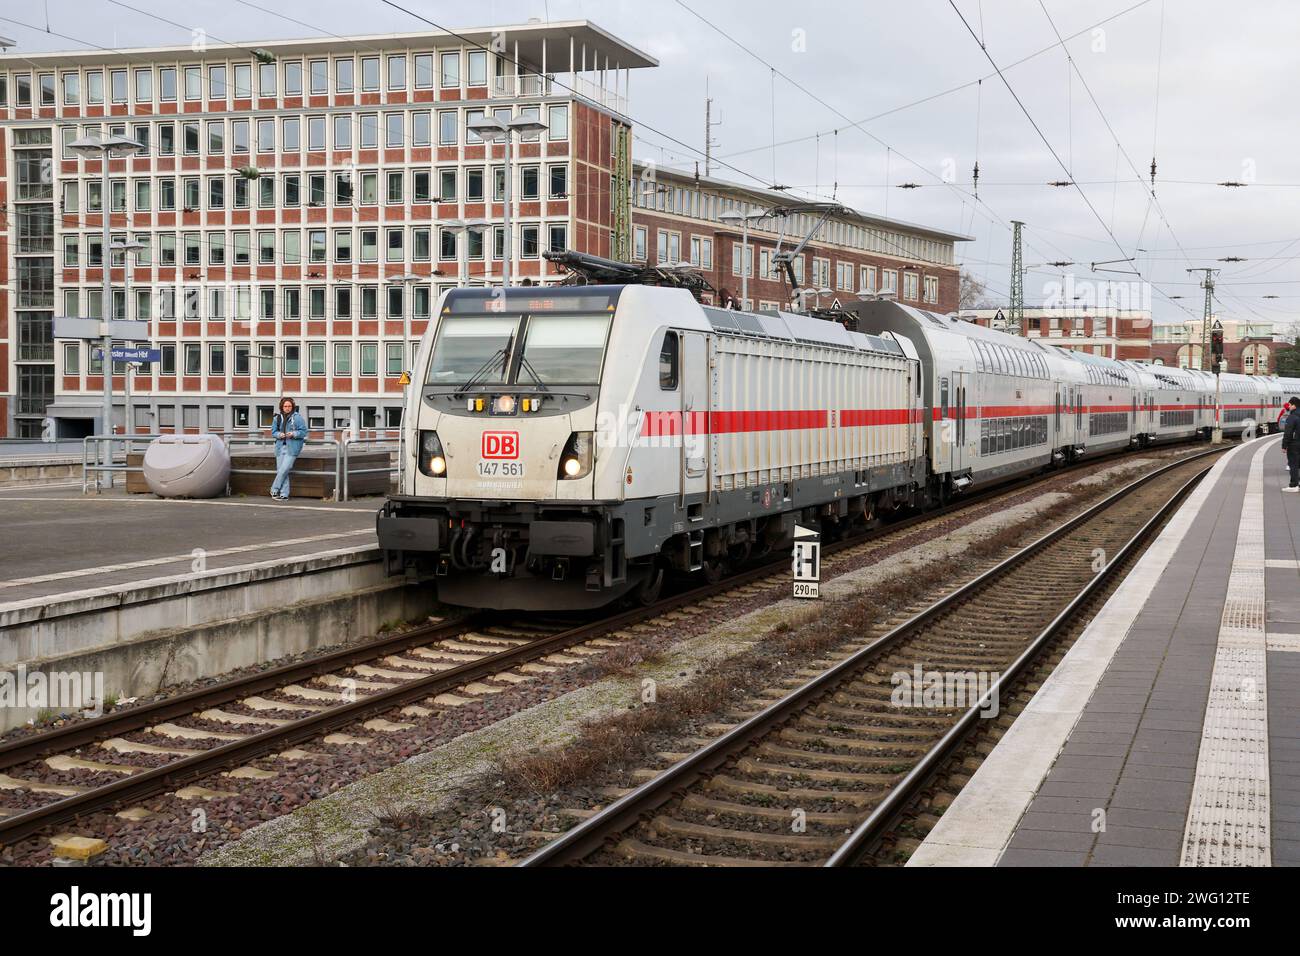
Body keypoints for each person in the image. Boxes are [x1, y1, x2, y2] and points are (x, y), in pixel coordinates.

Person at [270, 397, 308, 500]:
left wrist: (293, 434)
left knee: (284, 469)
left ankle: (274, 489)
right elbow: (273, 432)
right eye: (285, 406)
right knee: (282, 471)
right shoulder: (277, 418)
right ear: (282, 407)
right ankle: (284, 494)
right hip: (280, 447)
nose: (287, 408)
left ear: (293, 407)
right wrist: (279, 434)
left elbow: (304, 432)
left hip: (292, 448)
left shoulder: (298, 418)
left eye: (289, 406)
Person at [1283, 397, 1300, 493]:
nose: (1288, 407)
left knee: (1293, 464)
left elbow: (1288, 433)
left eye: (1289, 405)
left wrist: (1284, 445)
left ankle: (1294, 485)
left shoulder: (1292, 417)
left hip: (1294, 444)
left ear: (1294, 405)